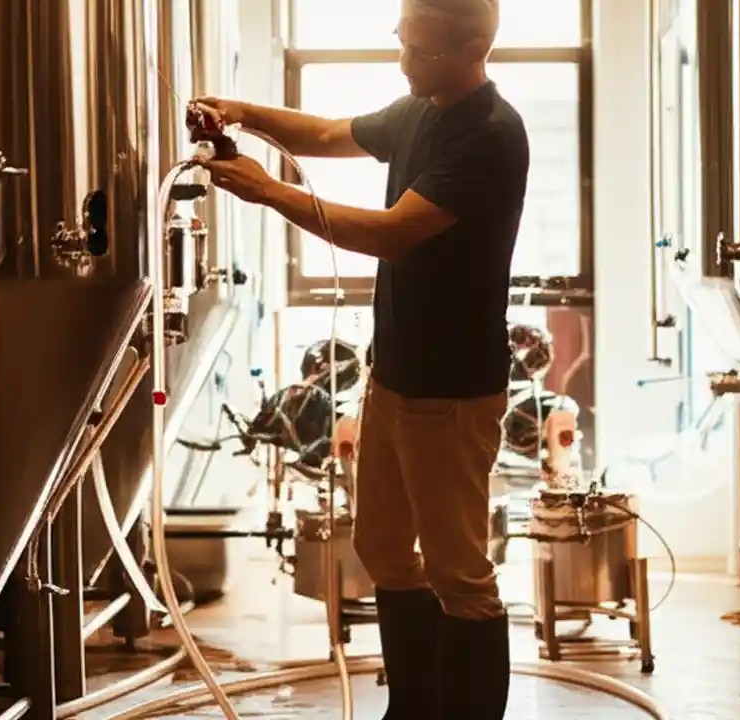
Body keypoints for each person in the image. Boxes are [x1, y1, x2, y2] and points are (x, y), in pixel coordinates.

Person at [190, 1, 527, 717]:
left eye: (419, 50)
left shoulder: (491, 136)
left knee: (459, 574)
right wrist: (243, 111)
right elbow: (324, 133)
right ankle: (411, 708)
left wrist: (269, 192)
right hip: (394, 376)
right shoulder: (418, 107)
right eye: (400, 42)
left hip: (453, 391)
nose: (404, 60)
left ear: (473, 49)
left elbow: (394, 233)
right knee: (381, 546)